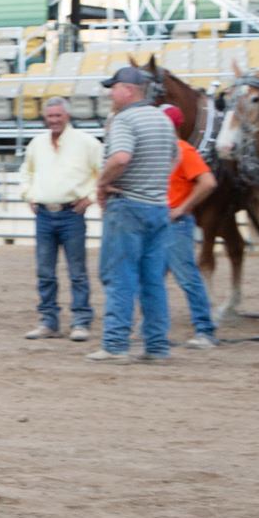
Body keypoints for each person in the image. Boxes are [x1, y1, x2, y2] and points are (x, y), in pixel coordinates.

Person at [89, 67, 175, 363]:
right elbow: (174, 158)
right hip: (158, 206)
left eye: (113, 88)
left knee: (120, 276)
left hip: (127, 206)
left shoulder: (125, 119)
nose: (110, 94)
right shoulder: (162, 119)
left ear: (128, 90)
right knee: (152, 280)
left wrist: (103, 182)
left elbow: (121, 157)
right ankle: (157, 345)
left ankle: (115, 344)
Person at [18, 96, 101, 342]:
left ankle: (81, 321)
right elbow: (26, 171)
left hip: (71, 213)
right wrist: (29, 194)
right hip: (44, 213)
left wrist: (90, 197)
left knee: (77, 271)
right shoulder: (37, 143)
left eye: (58, 116)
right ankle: (48, 320)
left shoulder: (87, 143)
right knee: (45, 271)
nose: (54, 120)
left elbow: (103, 171)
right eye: (50, 116)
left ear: (67, 116)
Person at [159, 104, 218, 350]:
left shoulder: (184, 151)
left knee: (186, 277)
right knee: (153, 278)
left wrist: (182, 208)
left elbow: (208, 182)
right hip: (163, 223)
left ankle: (205, 329)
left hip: (175, 224)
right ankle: (155, 329)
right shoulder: (165, 152)